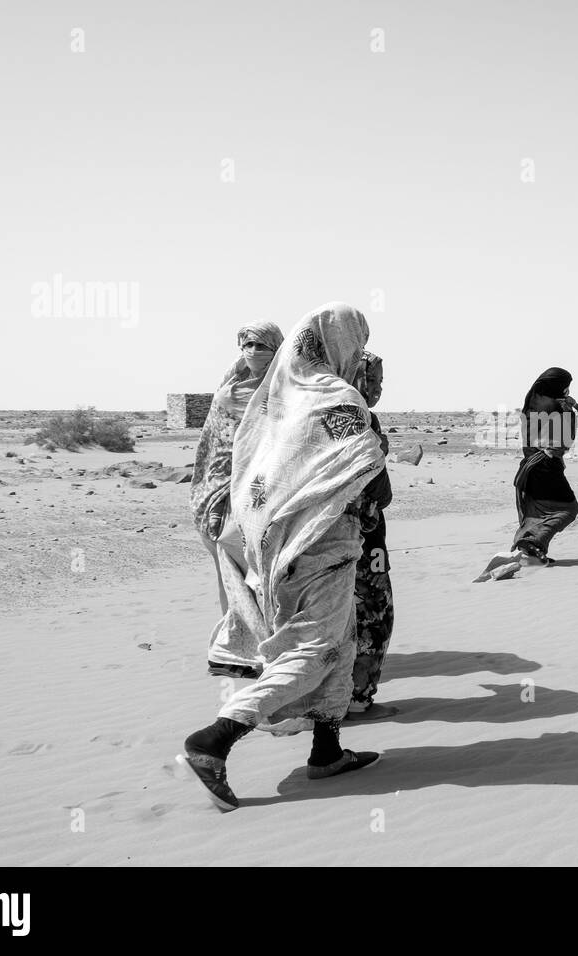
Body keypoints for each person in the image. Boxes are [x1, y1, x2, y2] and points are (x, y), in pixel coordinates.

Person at [178, 302, 386, 812]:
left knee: (343, 638)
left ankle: (327, 750)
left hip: (274, 546)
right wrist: (375, 454)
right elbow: (370, 478)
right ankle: (216, 738)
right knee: (314, 649)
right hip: (323, 542)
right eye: (356, 346)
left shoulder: (276, 398)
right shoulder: (334, 397)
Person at [190, 322, 284, 680]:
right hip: (222, 495)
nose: (253, 350)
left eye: (262, 344)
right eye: (248, 344)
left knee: (253, 577)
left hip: (259, 496)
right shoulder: (232, 390)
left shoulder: (282, 389)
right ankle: (243, 652)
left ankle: (239, 651)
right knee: (240, 576)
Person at [344, 351, 398, 721]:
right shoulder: (353, 419)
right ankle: (357, 699)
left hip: (353, 536)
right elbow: (379, 491)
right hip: (360, 537)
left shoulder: (328, 414)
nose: (377, 389)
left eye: (381, 382)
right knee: (375, 616)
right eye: (371, 380)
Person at [511, 367, 578, 565]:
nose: (567, 390)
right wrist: (570, 409)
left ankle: (531, 549)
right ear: (558, 386)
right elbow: (564, 439)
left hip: (531, 465)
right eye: (566, 386)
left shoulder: (533, 402)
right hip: (546, 464)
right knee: (567, 508)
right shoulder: (556, 406)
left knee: (538, 508)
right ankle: (532, 544)